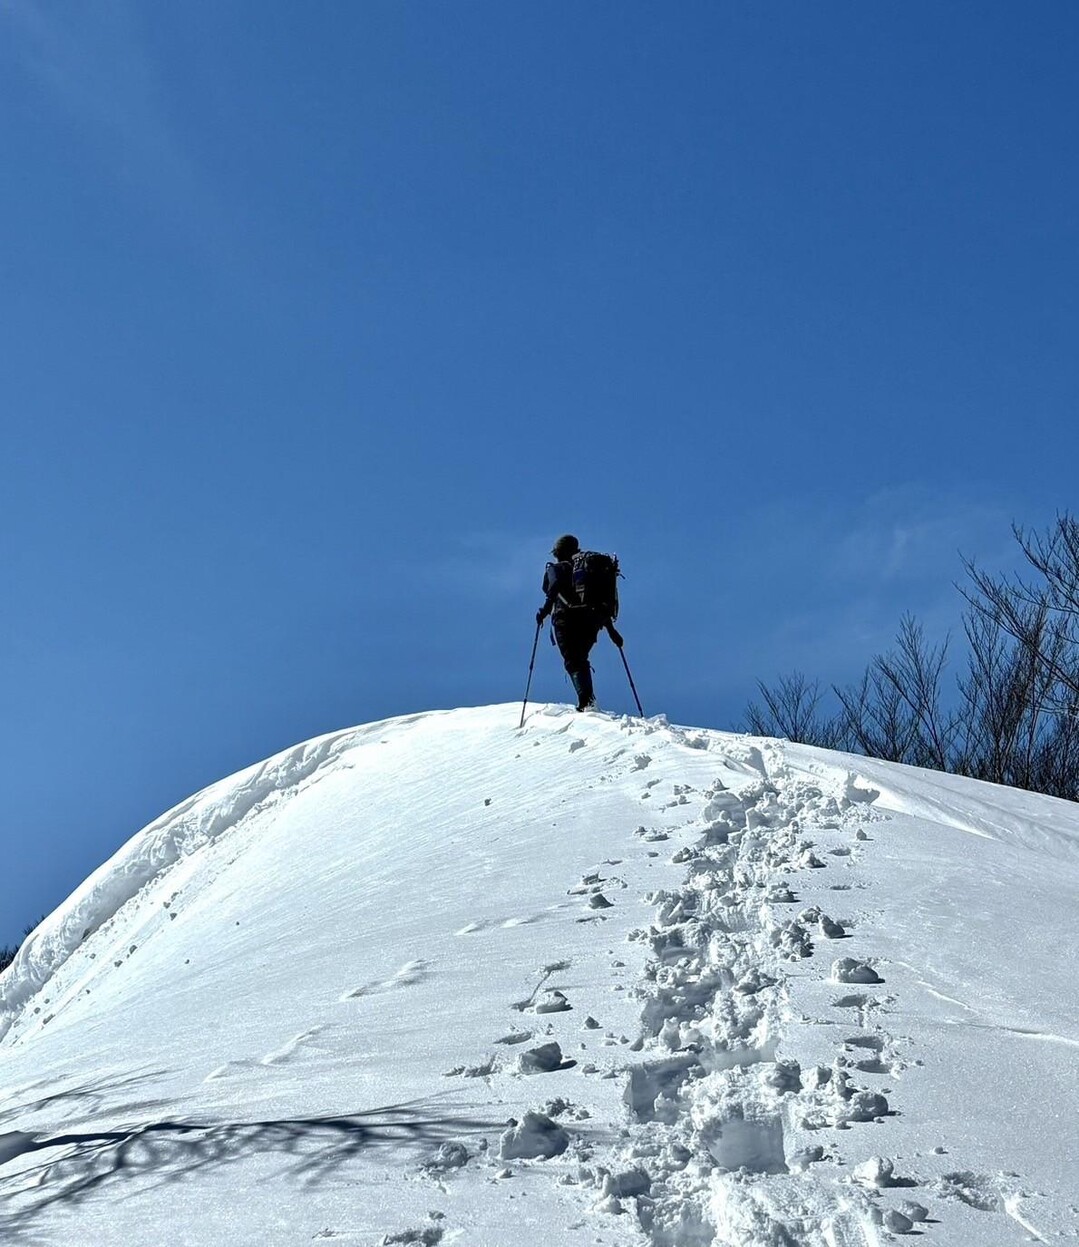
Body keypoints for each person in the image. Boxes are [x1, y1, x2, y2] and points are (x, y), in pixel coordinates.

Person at [536, 534, 623, 711]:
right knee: (580, 658)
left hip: (565, 620)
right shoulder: (589, 571)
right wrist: (612, 631)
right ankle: (588, 700)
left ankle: (586, 701)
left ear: (558, 552)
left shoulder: (556, 568)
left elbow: (554, 588)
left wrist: (544, 611)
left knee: (573, 661)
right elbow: (597, 603)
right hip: (591, 622)